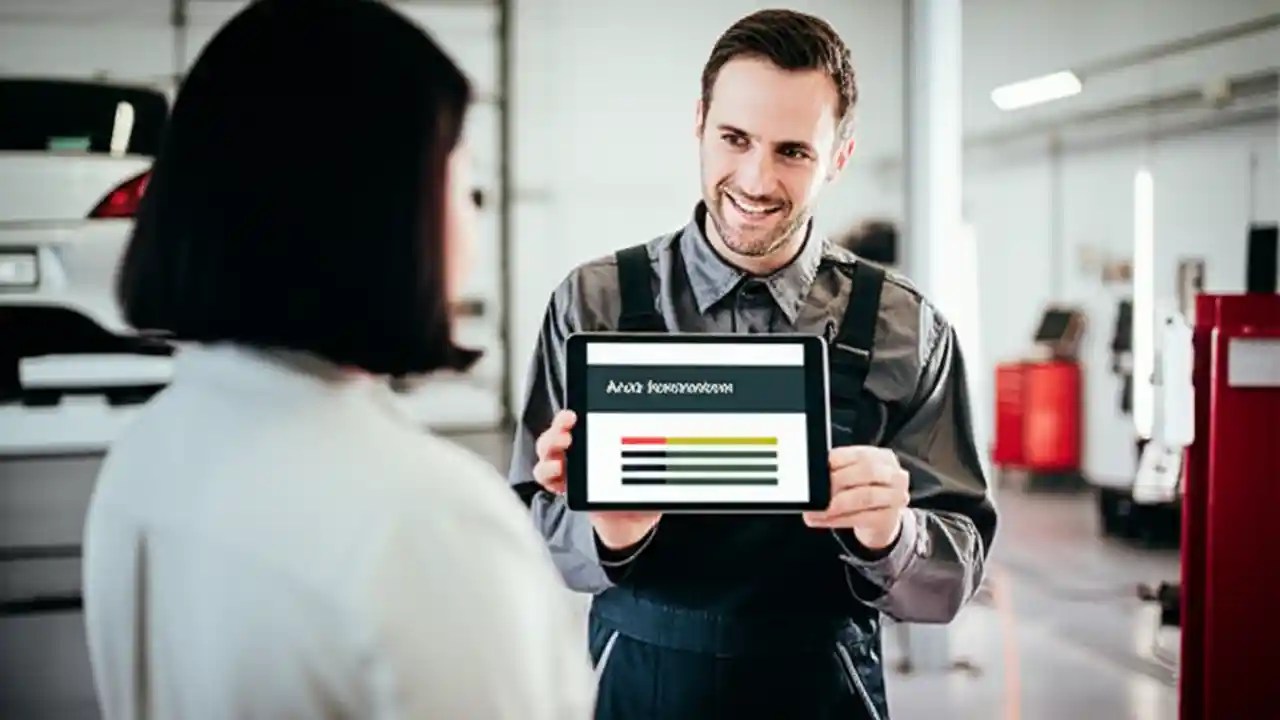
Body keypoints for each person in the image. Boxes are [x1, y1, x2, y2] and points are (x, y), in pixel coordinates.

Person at [81, 1, 593, 718]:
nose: (472, 222)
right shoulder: (427, 521)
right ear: (387, 207)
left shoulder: (146, 453)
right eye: (460, 181)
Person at [509, 9, 997, 720]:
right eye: (734, 139)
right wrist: (605, 531)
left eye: (794, 151)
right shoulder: (595, 304)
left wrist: (894, 534)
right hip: (640, 689)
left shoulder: (906, 330)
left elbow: (949, 585)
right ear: (700, 122)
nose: (755, 179)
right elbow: (535, 532)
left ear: (840, 155)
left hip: (825, 692)